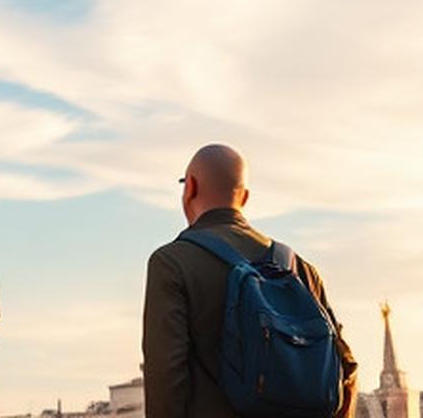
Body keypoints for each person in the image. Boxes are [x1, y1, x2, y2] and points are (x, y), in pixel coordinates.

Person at [142, 145, 356, 418]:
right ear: (244, 196)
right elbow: (346, 367)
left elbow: (166, 376)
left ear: (191, 188)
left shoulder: (172, 263)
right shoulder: (300, 269)